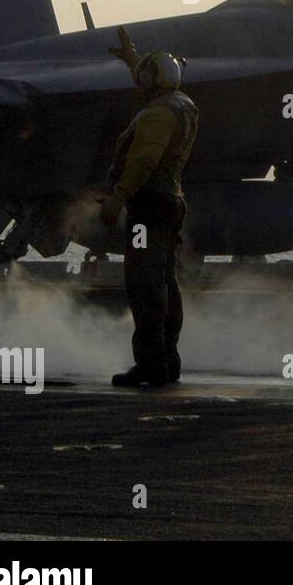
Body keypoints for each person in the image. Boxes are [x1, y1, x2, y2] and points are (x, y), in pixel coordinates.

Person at [101, 27, 199, 387]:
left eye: (143, 74)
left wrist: (119, 196)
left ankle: (150, 364)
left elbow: (143, 160)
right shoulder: (182, 105)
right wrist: (134, 61)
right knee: (166, 284)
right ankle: (167, 359)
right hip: (169, 203)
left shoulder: (158, 114)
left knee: (145, 285)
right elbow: (154, 93)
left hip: (148, 208)